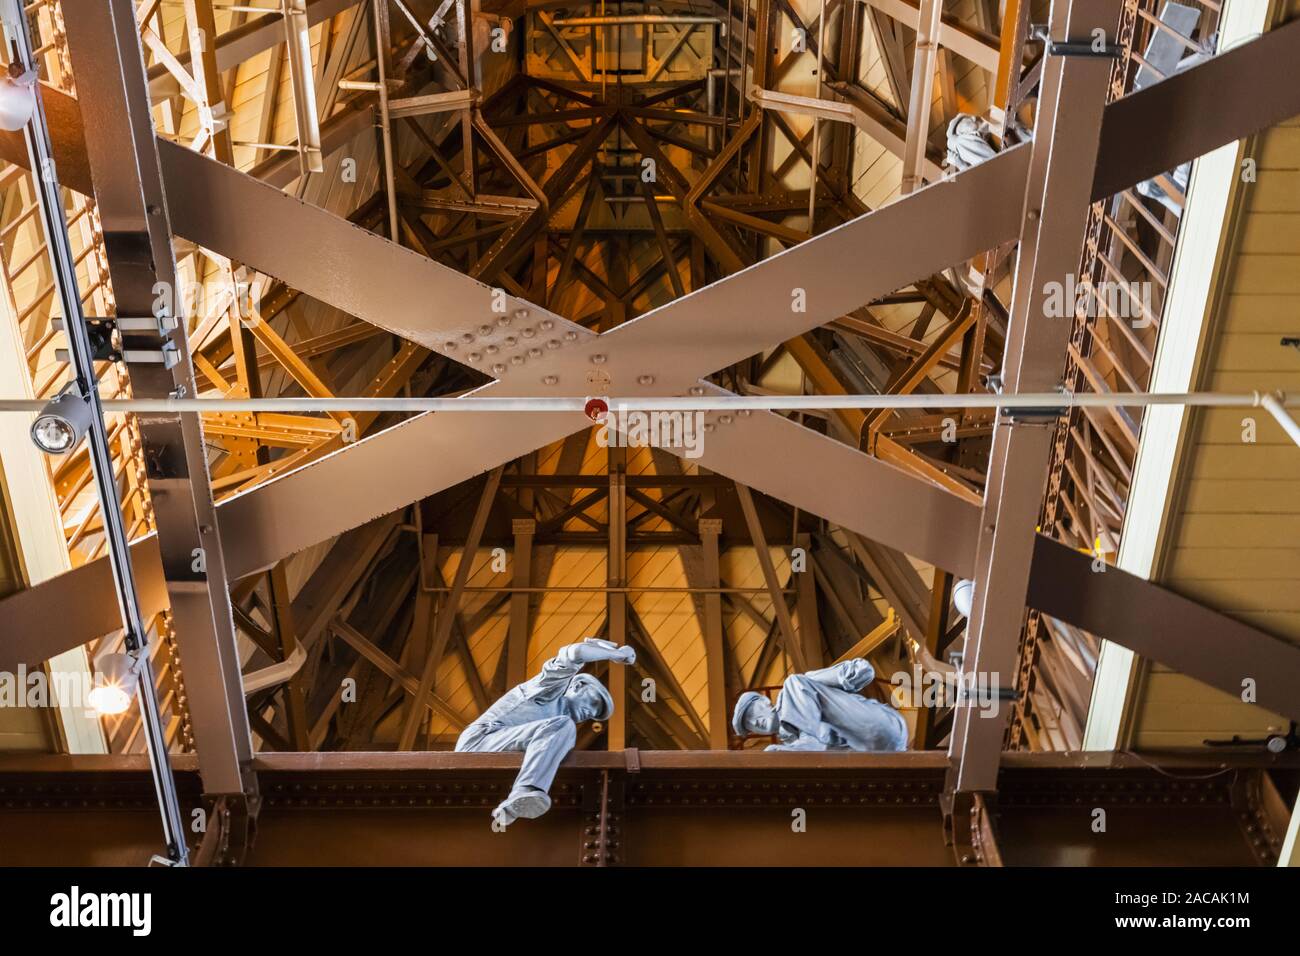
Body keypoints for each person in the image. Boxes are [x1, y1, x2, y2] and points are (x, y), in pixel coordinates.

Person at [455, 637, 635, 827]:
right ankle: (524, 790)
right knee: (563, 725)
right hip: (480, 741)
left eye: (595, 712)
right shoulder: (547, 691)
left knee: (563, 729)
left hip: (500, 750)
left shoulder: (556, 732)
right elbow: (573, 654)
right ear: (576, 686)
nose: (590, 712)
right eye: (592, 702)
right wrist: (615, 655)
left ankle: (516, 801)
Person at [731, 658, 909, 752]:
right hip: (876, 753)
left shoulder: (796, 688)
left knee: (793, 682)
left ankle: (812, 741)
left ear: (763, 700)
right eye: (749, 725)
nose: (754, 722)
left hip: (883, 725)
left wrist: (850, 675)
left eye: (750, 714)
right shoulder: (790, 745)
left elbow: (861, 670)